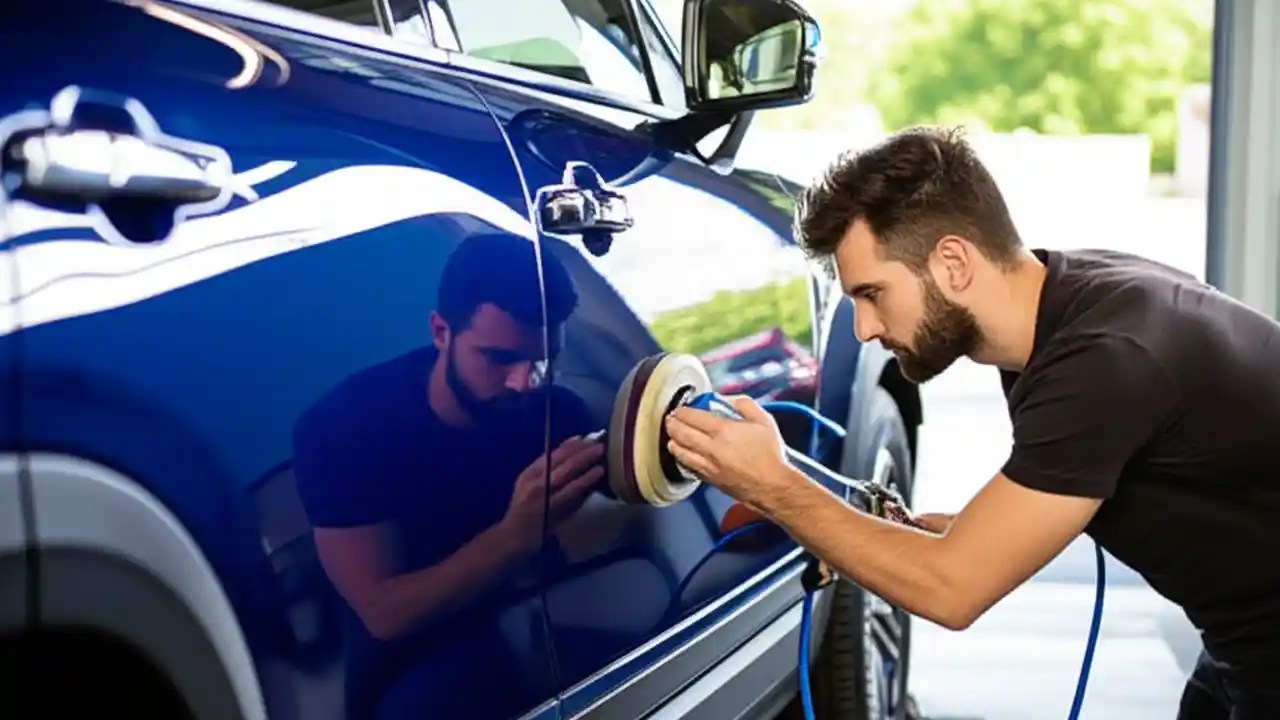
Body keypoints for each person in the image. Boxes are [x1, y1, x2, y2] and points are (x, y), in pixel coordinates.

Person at [663, 125, 1280, 719]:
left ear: (954, 262)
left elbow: (951, 590)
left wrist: (773, 486)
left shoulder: (1104, 358)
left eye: (872, 294)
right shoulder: (1066, 307)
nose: (865, 329)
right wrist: (971, 533)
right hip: (1242, 639)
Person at [292, 232, 600, 719]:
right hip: (413, 680)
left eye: (542, 361)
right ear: (441, 333)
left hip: (552, 648)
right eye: (498, 358)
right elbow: (383, 613)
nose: (523, 383)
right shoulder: (345, 430)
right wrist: (515, 536)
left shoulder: (555, 411)